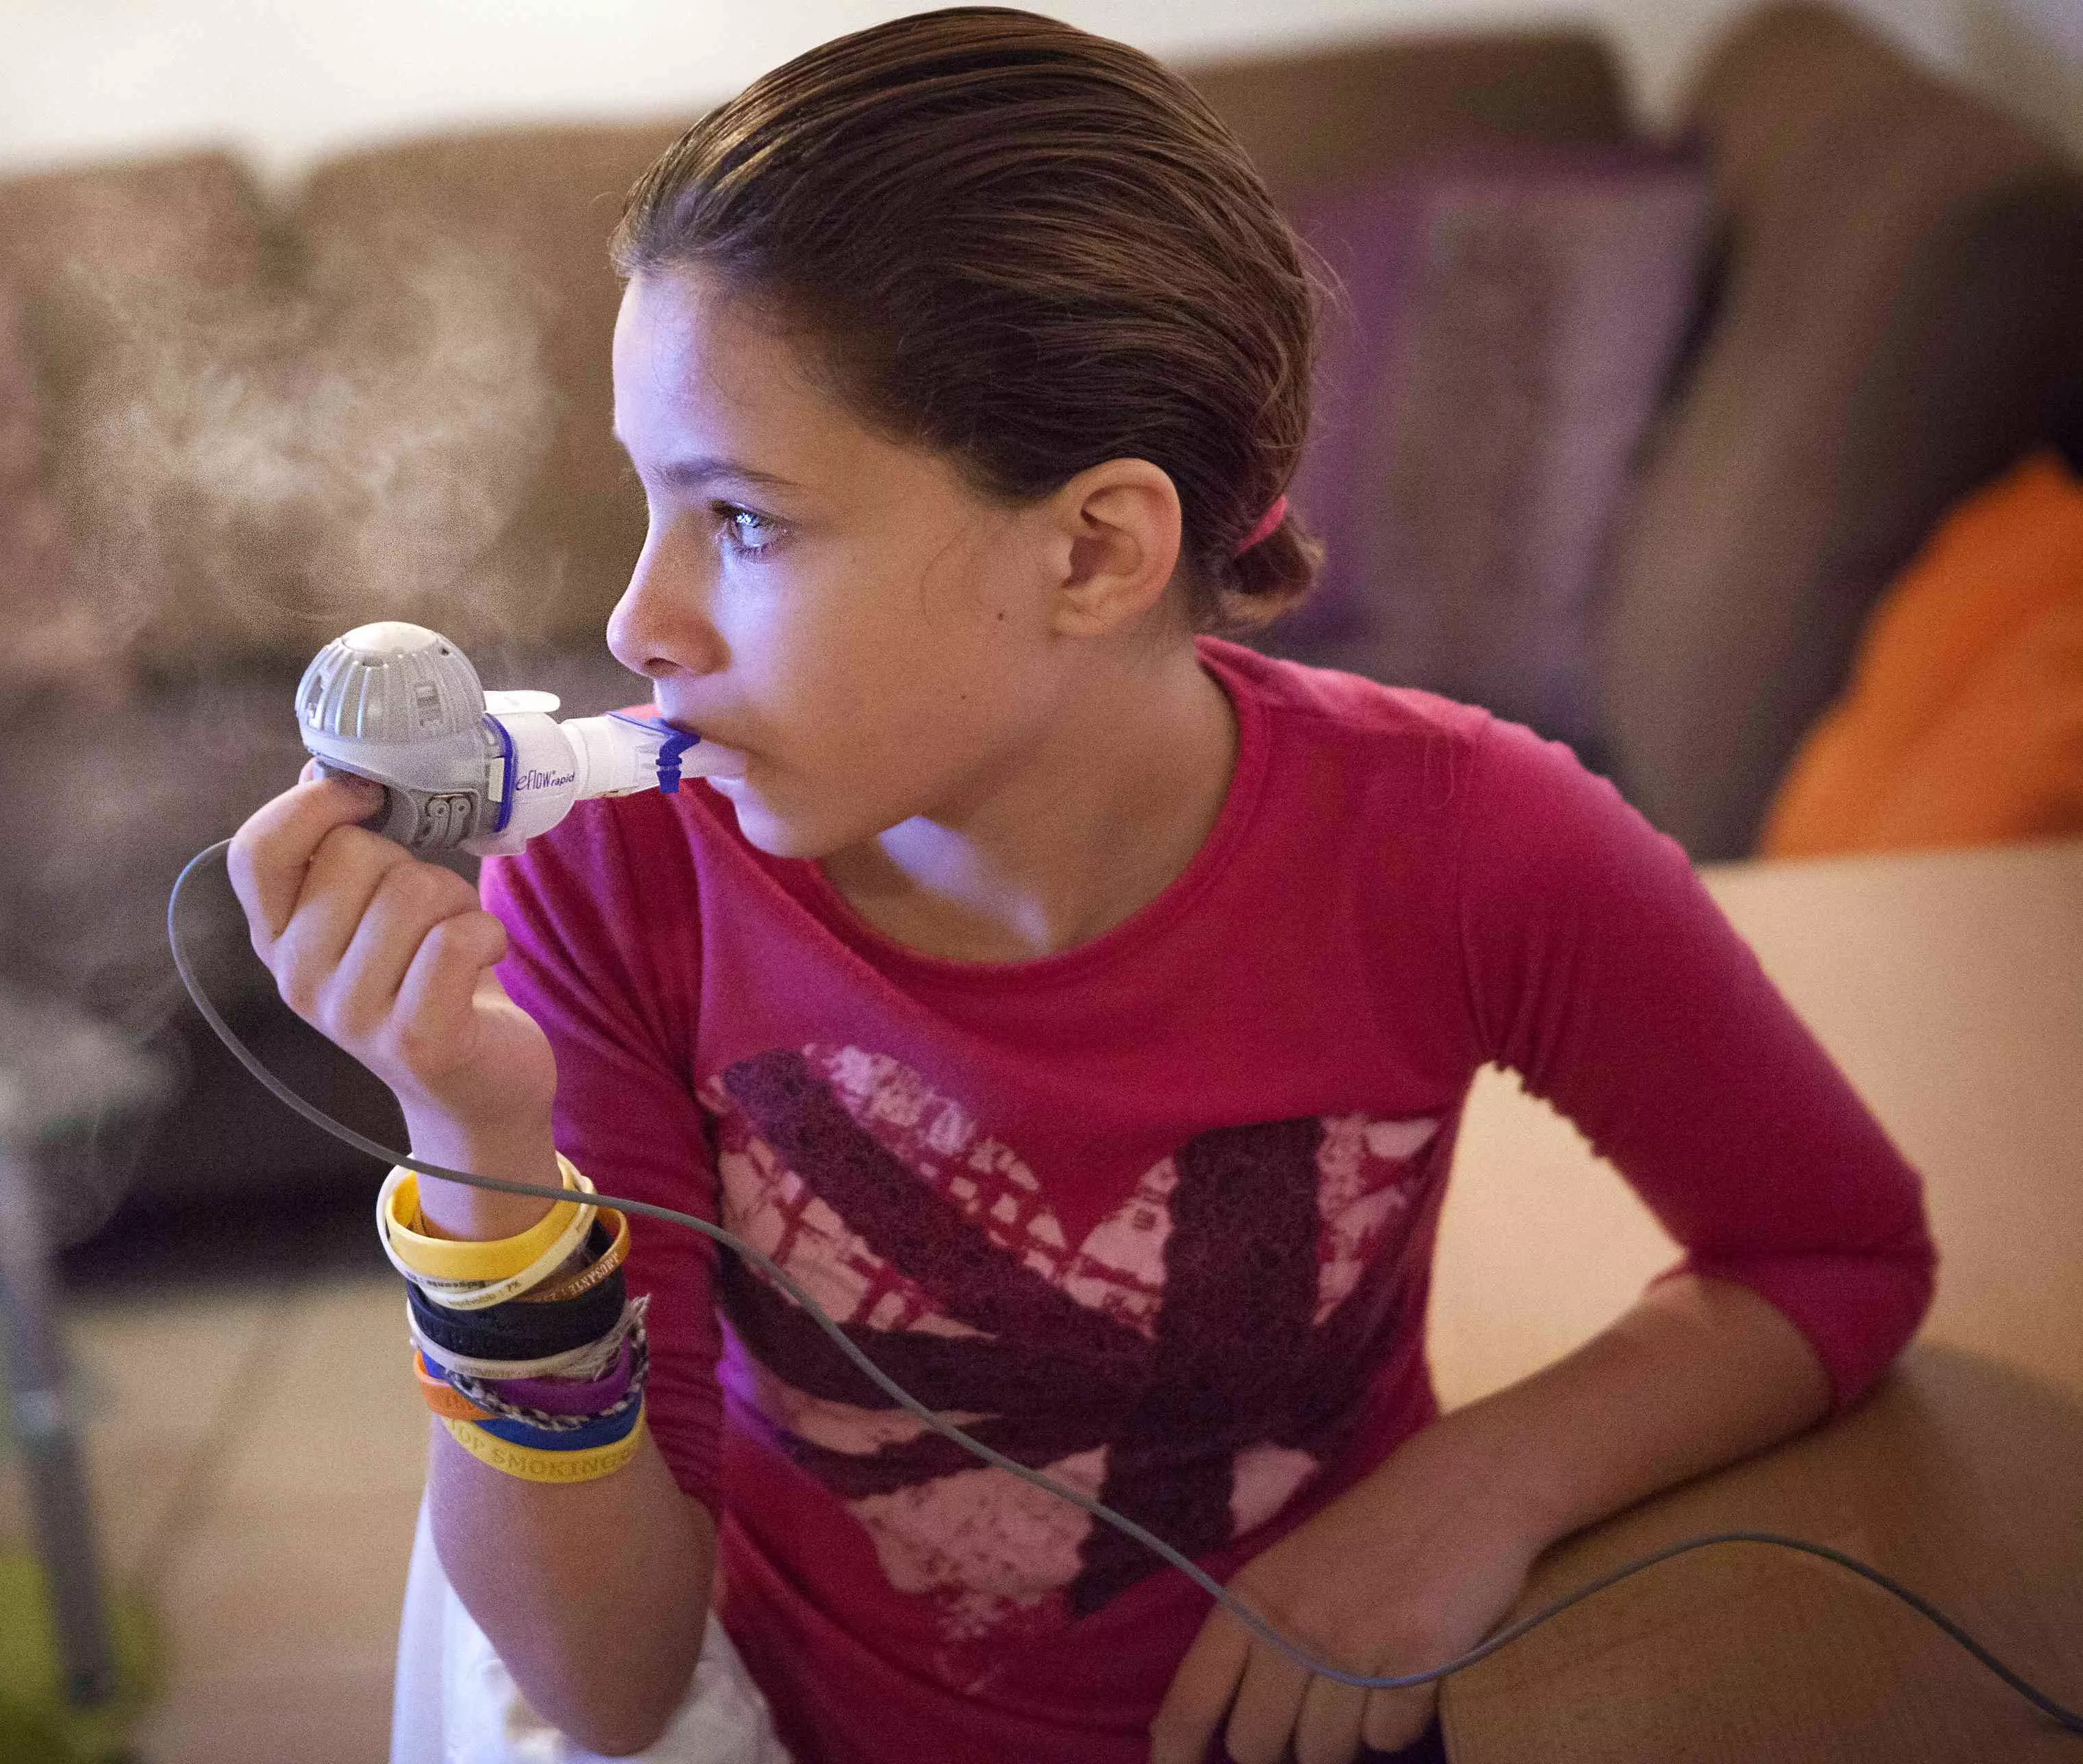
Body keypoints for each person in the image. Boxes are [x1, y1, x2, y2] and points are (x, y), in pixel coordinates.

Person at [226, 10, 1938, 1761]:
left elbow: (1835, 1251)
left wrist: (1476, 1487)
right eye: (648, 501)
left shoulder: (1470, 845)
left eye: (740, 519)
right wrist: (483, 1158)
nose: (634, 626)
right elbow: (612, 1680)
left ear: (1099, 548)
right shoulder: (610, 891)